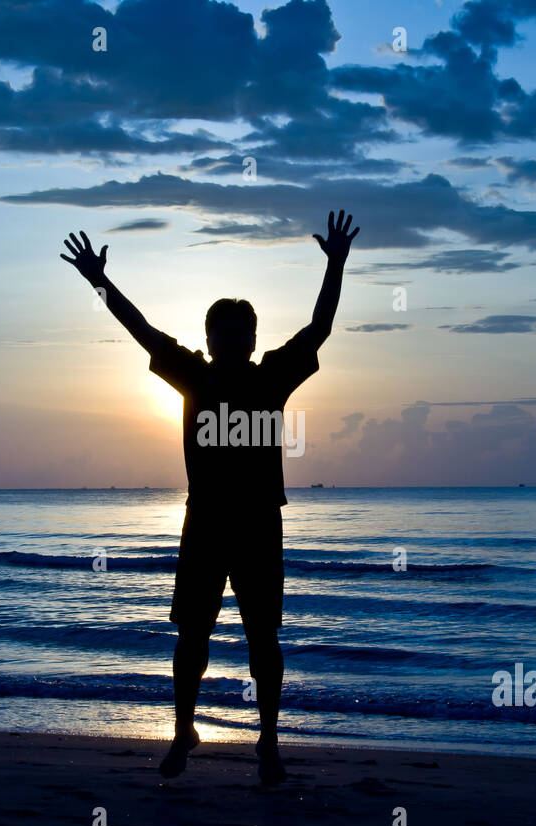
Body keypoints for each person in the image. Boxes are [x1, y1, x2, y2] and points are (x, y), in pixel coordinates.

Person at [60, 210, 360, 785]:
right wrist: (97, 279)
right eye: (221, 332)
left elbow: (319, 328)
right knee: (191, 635)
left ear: (252, 338)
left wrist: (336, 266)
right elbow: (140, 328)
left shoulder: (271, 376)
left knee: (262, 638)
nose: (231, 340)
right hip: (203, 525)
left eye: (241, 332)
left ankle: (268, 742)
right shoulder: (193, 375)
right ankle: (182, 731)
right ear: (209, 339)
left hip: (257, 526)